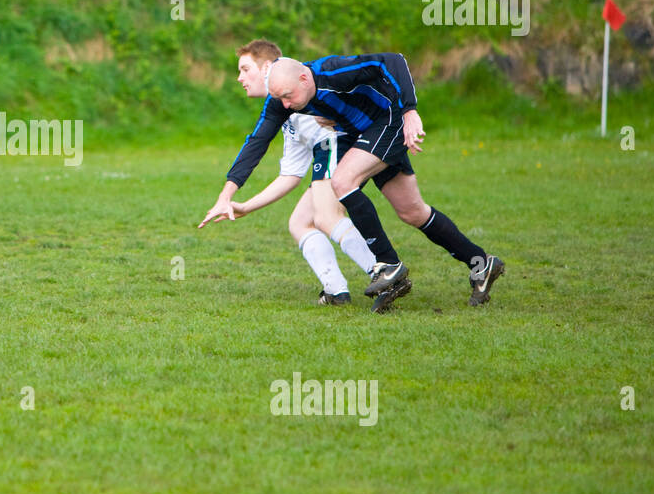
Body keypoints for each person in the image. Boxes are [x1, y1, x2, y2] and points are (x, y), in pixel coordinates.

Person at [200, 44, 504, 312]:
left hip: (387, 120)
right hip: (357, 133)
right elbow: (257, 143)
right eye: (281, 100)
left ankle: (388, 265)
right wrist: (227, 195)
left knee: (342, 183)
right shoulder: (282, 100)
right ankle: (481, 263)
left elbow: (392, 60)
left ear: (304, 78)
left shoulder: (333, 71)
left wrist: (410, 111)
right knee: (413, 211)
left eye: (289, 97)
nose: (287, 106)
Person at [200, 42, 377, 305]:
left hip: (341, 144)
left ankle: (382, 272)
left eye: (245, 69)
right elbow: (291, 176)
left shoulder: (299, 89)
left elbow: (256, 143)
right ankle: (336, 291)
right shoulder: (285, 107)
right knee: (299, 223)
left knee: (328, 216)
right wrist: (246, 207)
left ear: (268, 68)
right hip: (330, 150)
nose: (240, 78)